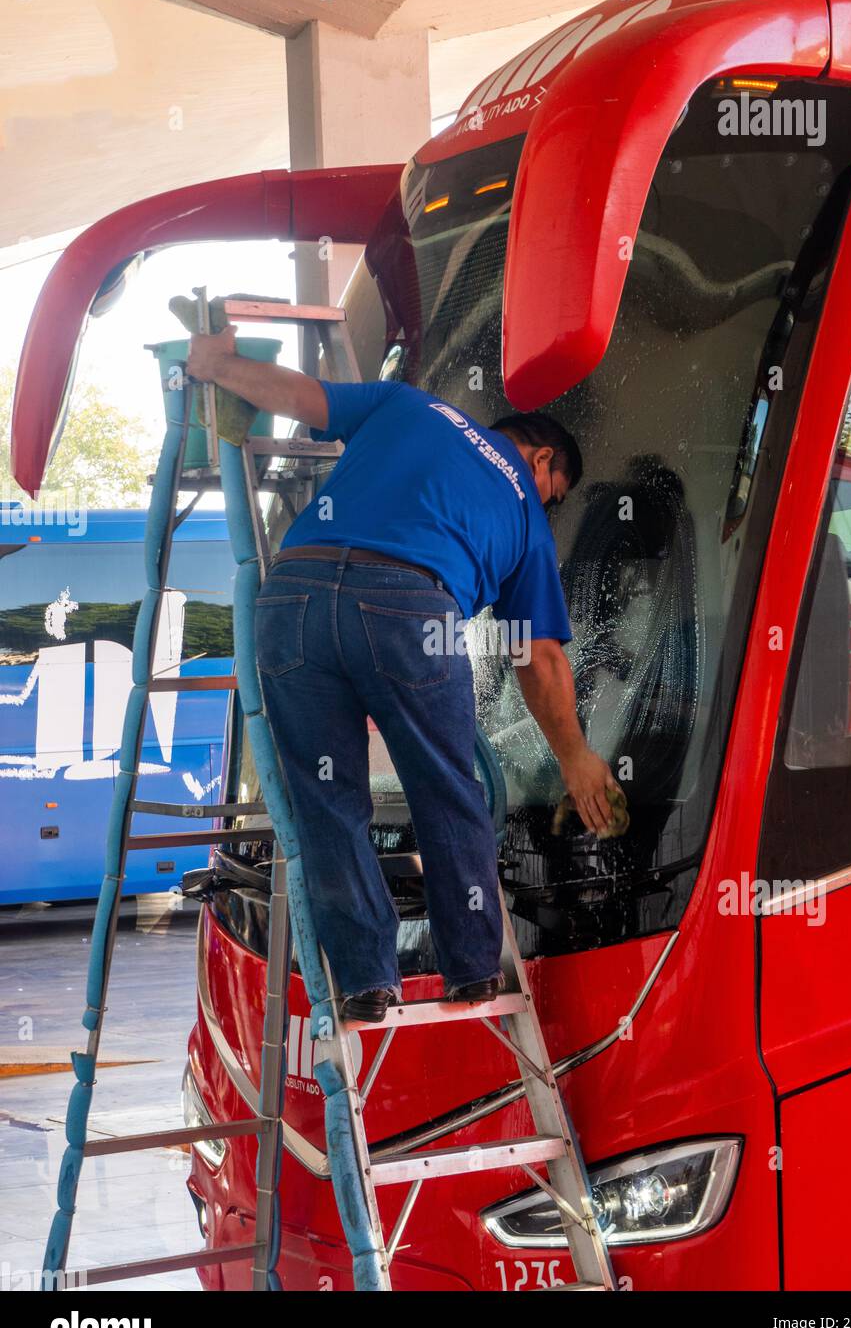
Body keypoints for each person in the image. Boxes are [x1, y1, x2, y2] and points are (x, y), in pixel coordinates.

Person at [186, 327, 617, 1021]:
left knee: (328, 806)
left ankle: (363, 980)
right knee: (445, 791)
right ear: (539, 457)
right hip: (410, 609)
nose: (549, 507)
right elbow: (536, 656)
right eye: (554, 492)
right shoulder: (526, 516)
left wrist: (216, 365)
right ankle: (473, 968)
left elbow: (299, 395)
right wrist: (573, 756)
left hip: (291, 597)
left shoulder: (406, 406)